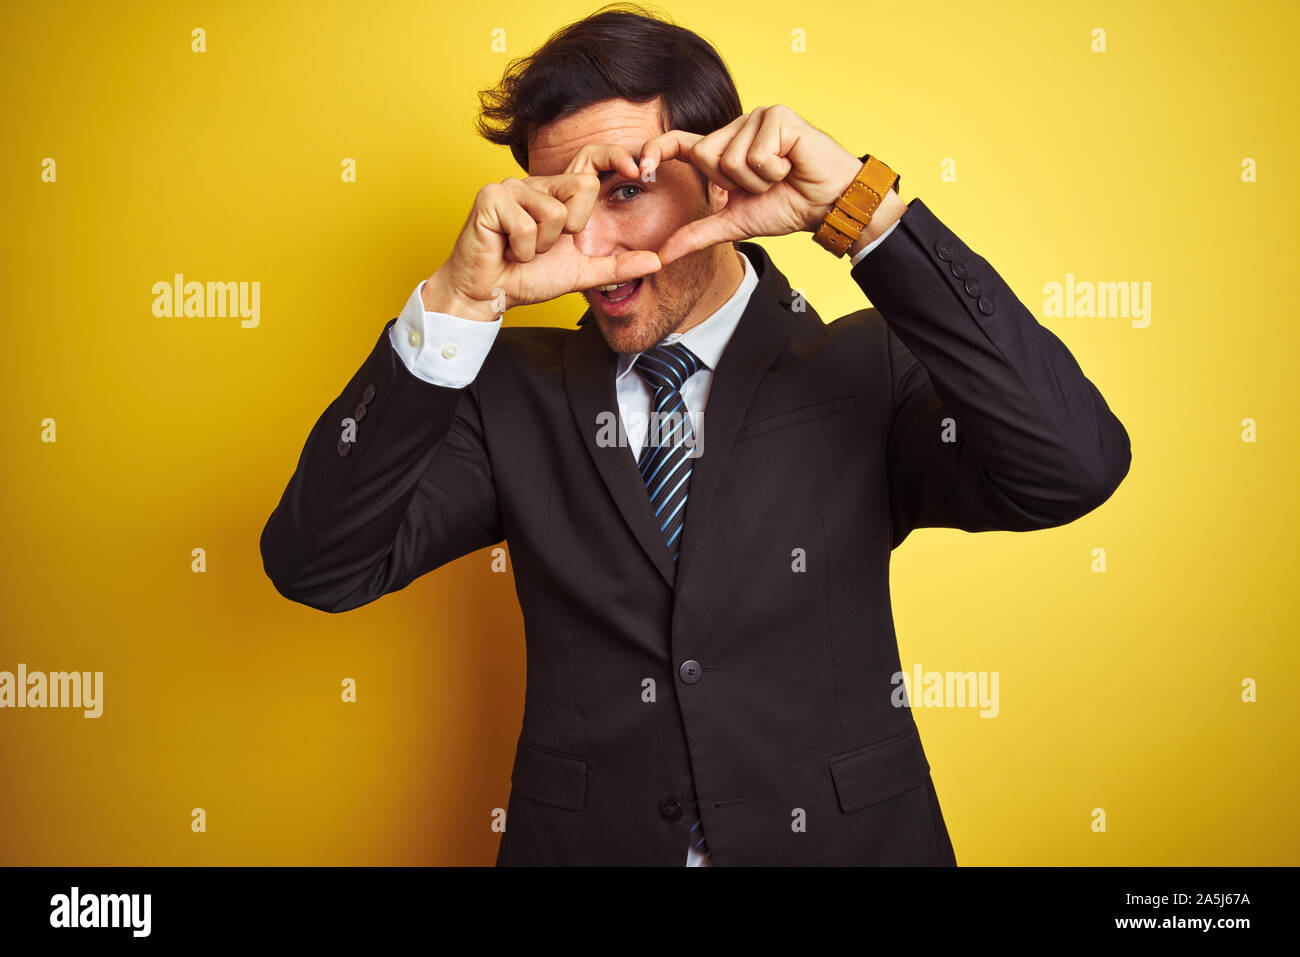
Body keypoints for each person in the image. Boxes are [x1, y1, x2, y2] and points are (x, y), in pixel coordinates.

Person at [259, 3, 1131, 866]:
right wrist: (456, 299)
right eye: (563, 203)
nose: (591, 242)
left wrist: (863, 213)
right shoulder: (503, 388)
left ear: (721, 182)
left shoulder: (868, 366)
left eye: (626, 192)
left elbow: (1075, 465)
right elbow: (321, 567)